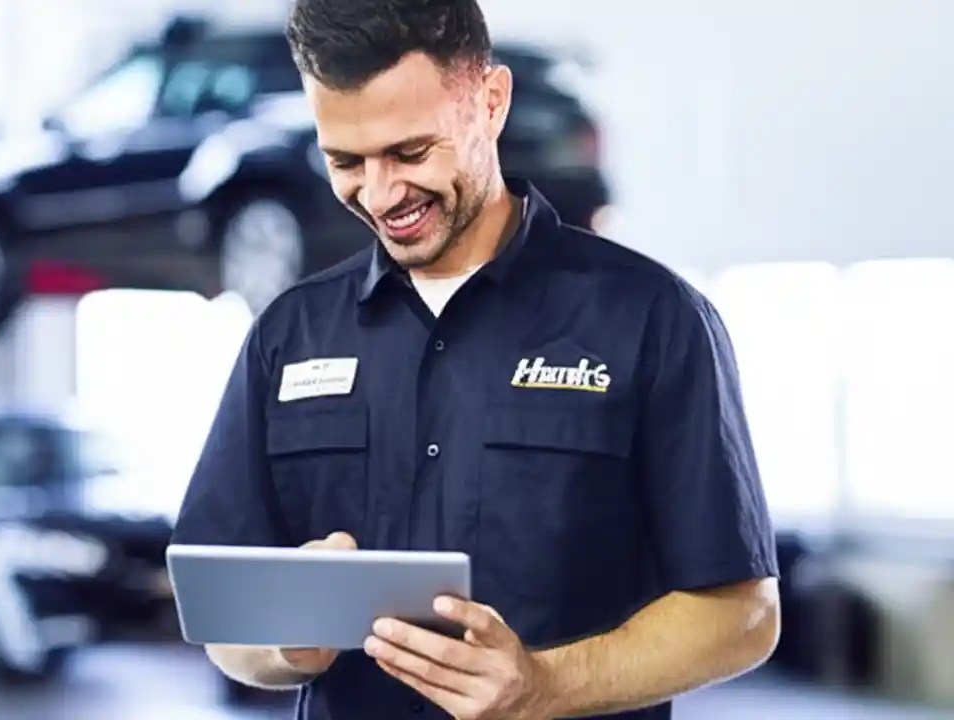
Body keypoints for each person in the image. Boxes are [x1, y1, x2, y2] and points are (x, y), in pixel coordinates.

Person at [171, 1, 781, 717]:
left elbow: (742, 613)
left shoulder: (651, 319)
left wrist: (545, 685)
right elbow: (226, 615)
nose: (380, 193)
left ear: (491, 102)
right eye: (345, 161)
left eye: (410, 152)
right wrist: (282, 648)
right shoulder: (289, 334)